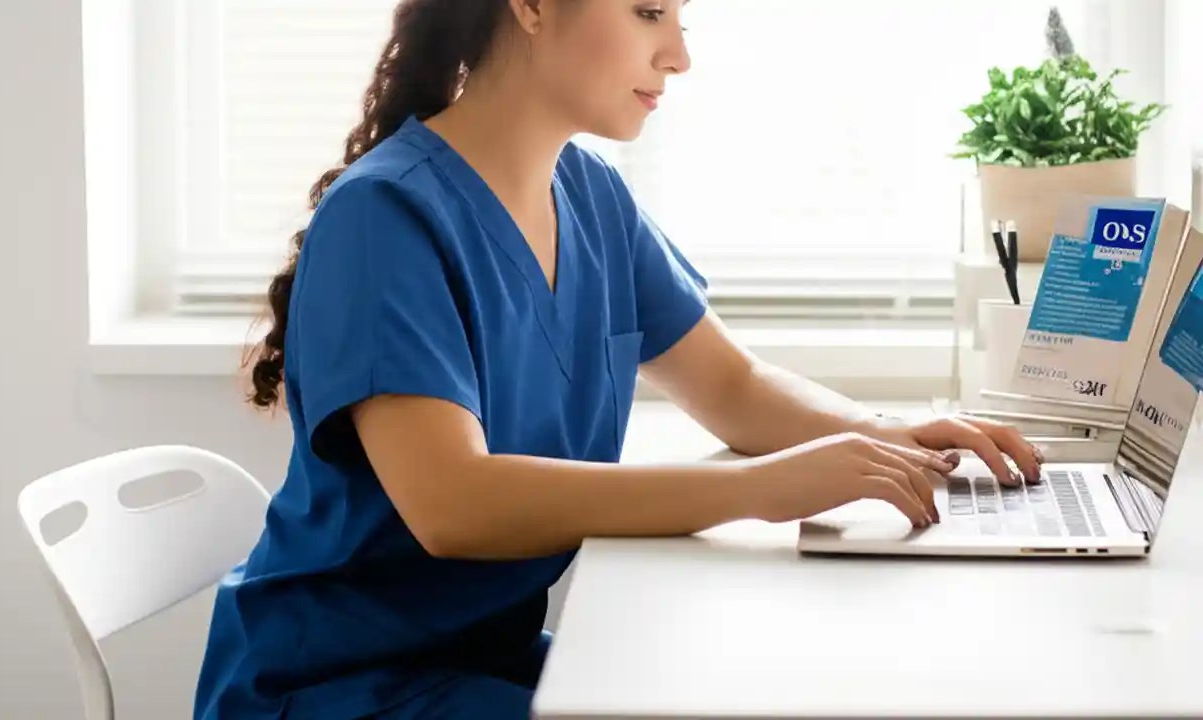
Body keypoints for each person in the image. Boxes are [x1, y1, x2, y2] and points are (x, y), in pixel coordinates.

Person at [193, 1, 1045, 718]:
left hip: (478, 662)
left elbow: (731, 385)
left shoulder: (592, 197)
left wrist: (890, 436)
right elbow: (452, 504)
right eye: (647, 12)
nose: (677, 53)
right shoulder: (383, 217)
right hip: (334, 688)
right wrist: (762, 489)